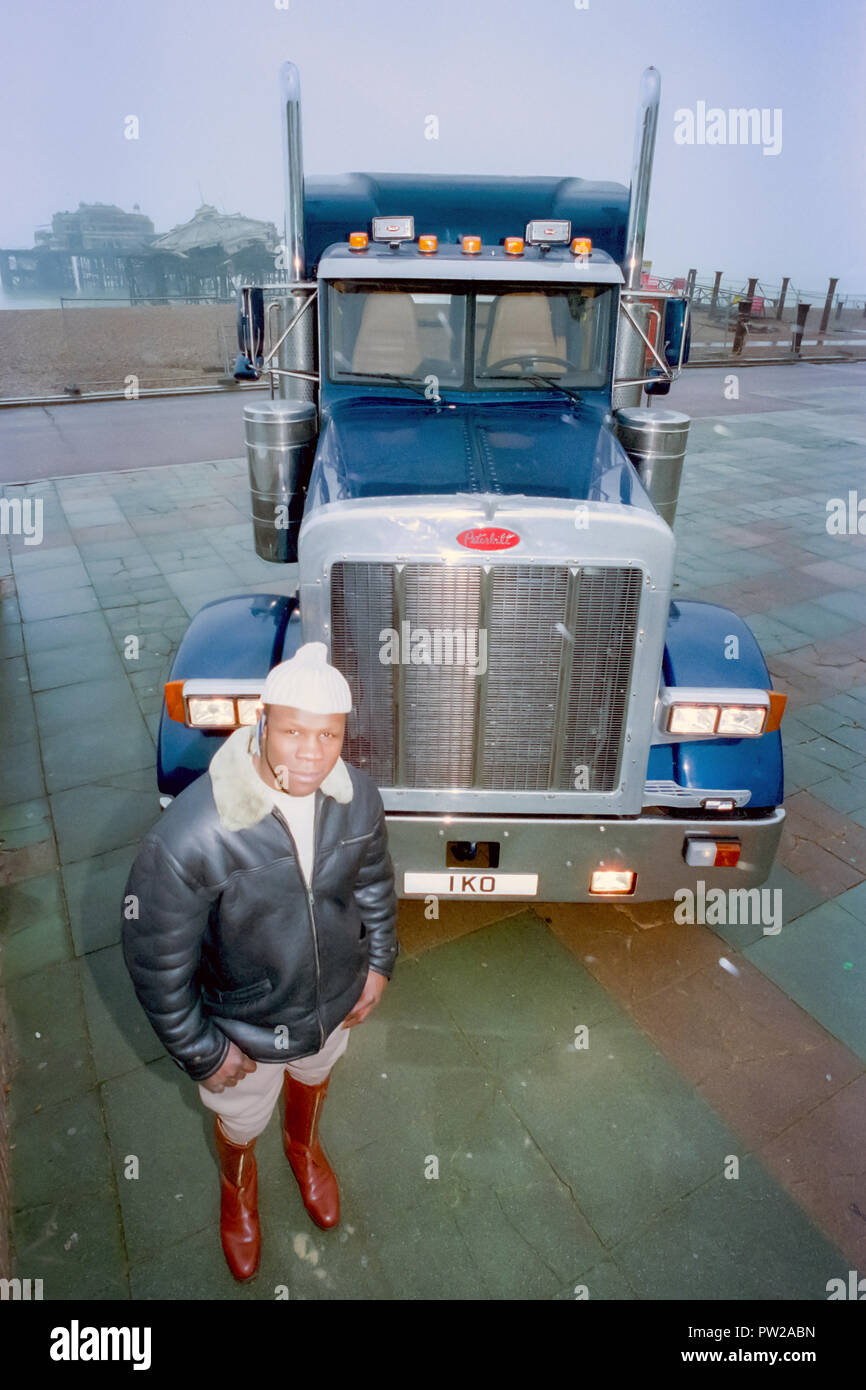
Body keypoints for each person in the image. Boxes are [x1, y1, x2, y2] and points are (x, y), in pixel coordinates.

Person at [121, 642, 398, 1281]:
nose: (311, 751)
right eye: (293, 730)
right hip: (241, 1031)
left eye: (328, 734)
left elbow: (376, 884)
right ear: (262, 722)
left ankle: (303, 1148)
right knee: (240, 1121)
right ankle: (239, 1189)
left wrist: (378, 962)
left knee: (315, 1076)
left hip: (332, 1008)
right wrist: (204, 1053)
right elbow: (156, 961)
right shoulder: (193, 834)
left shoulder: (357, 797)